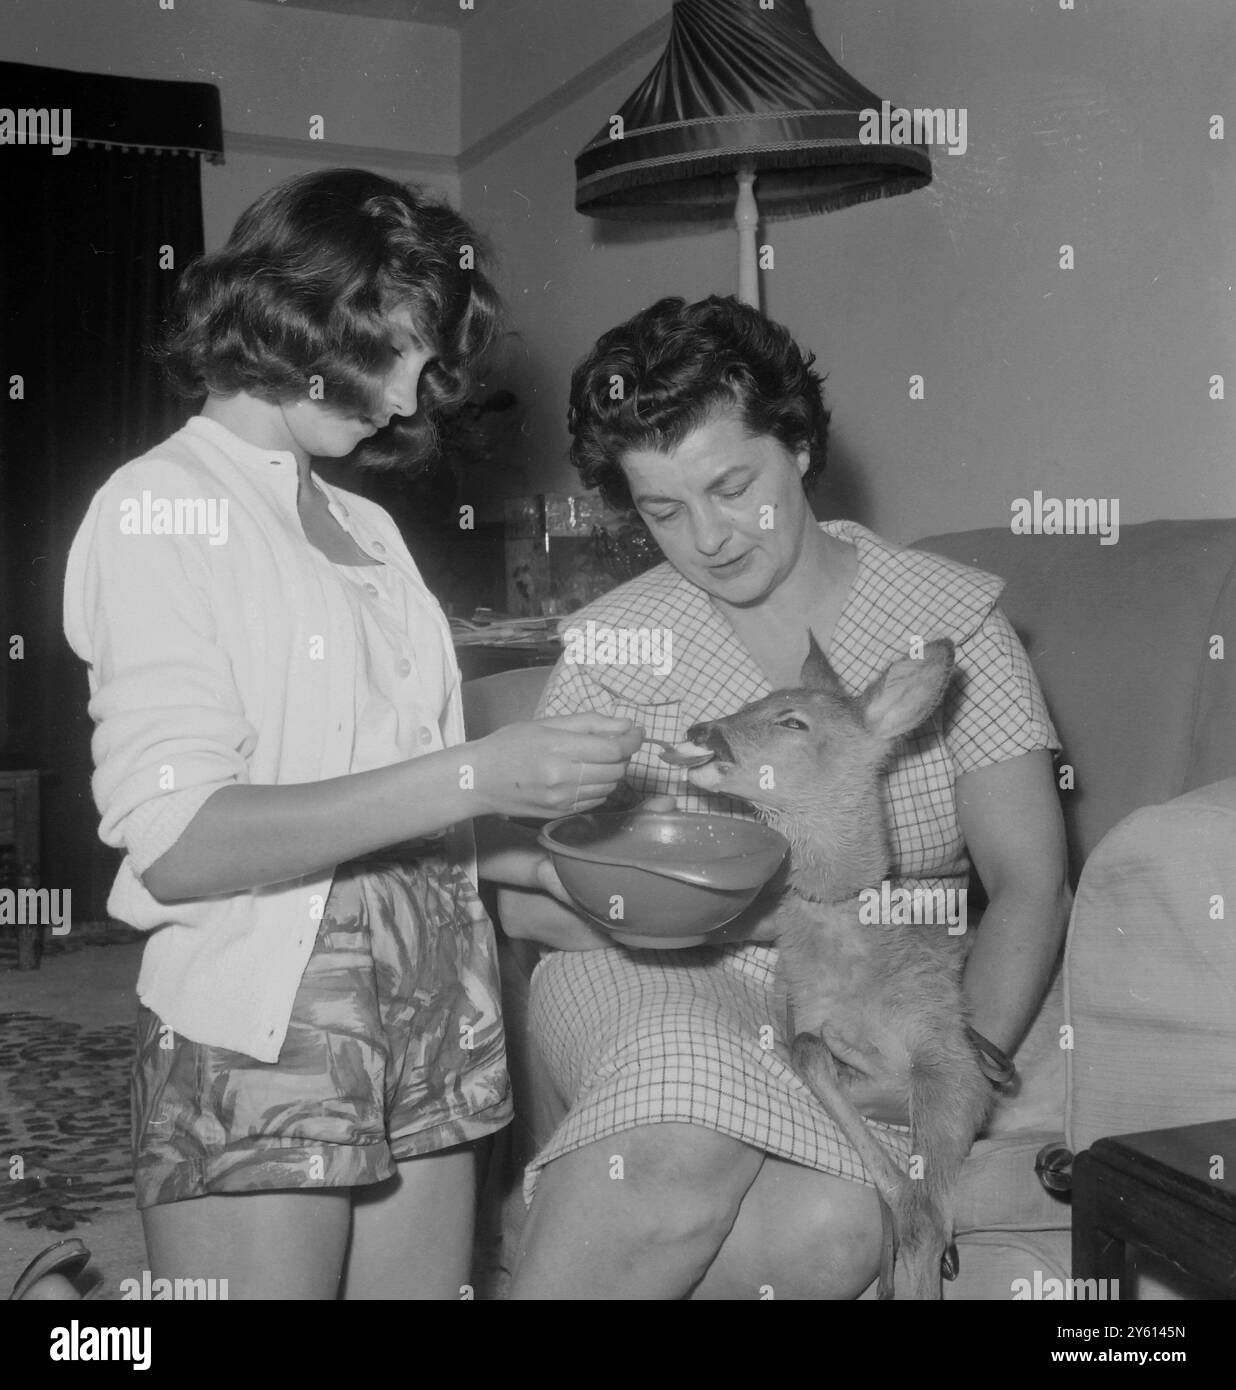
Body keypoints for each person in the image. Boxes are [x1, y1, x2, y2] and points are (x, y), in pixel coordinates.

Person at [62, 169, 641, 1300]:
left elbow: (407, 799)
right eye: (407, 351)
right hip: (274, 1001)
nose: (416, 397)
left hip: (434, 982)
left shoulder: (363, 522)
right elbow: (182, 840)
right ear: (316, 313)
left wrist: (575, 879)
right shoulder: (158, 507)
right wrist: (477, 771)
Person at [498, 294, 1073, 1300]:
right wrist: (686, 927)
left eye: (732, 485)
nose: (709, 537)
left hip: (870, 984)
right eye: (662, 510)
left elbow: (1029, 882)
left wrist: (957, 1061)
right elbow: (524, 893)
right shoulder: (612, 646)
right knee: (679, 1129)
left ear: (799, 445)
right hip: (652, 968)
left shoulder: (949, 621)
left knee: (836, 1229)